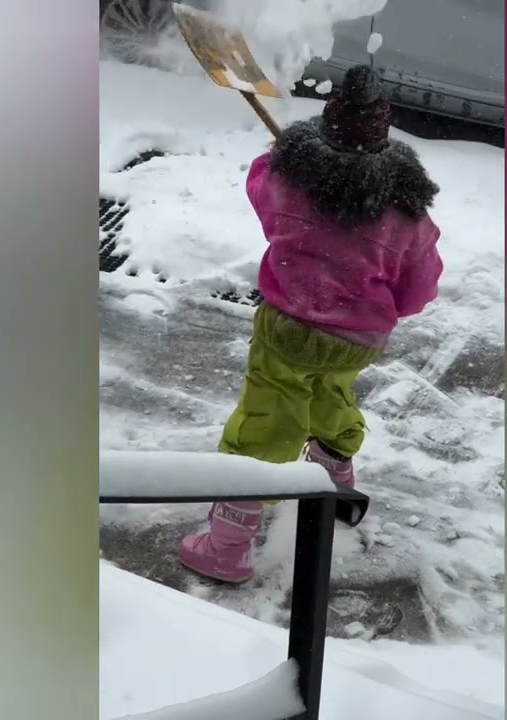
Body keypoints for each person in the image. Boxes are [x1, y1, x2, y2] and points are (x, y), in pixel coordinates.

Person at [179, 64, 444, 583]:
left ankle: (228, 546)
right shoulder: (408, 217)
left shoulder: (286, 183)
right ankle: (336, 481)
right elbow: (418, 288)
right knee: (332, 396)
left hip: (288, 330)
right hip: (355, 340)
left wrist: (281, 160)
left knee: (266, 419)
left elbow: (260, 190)